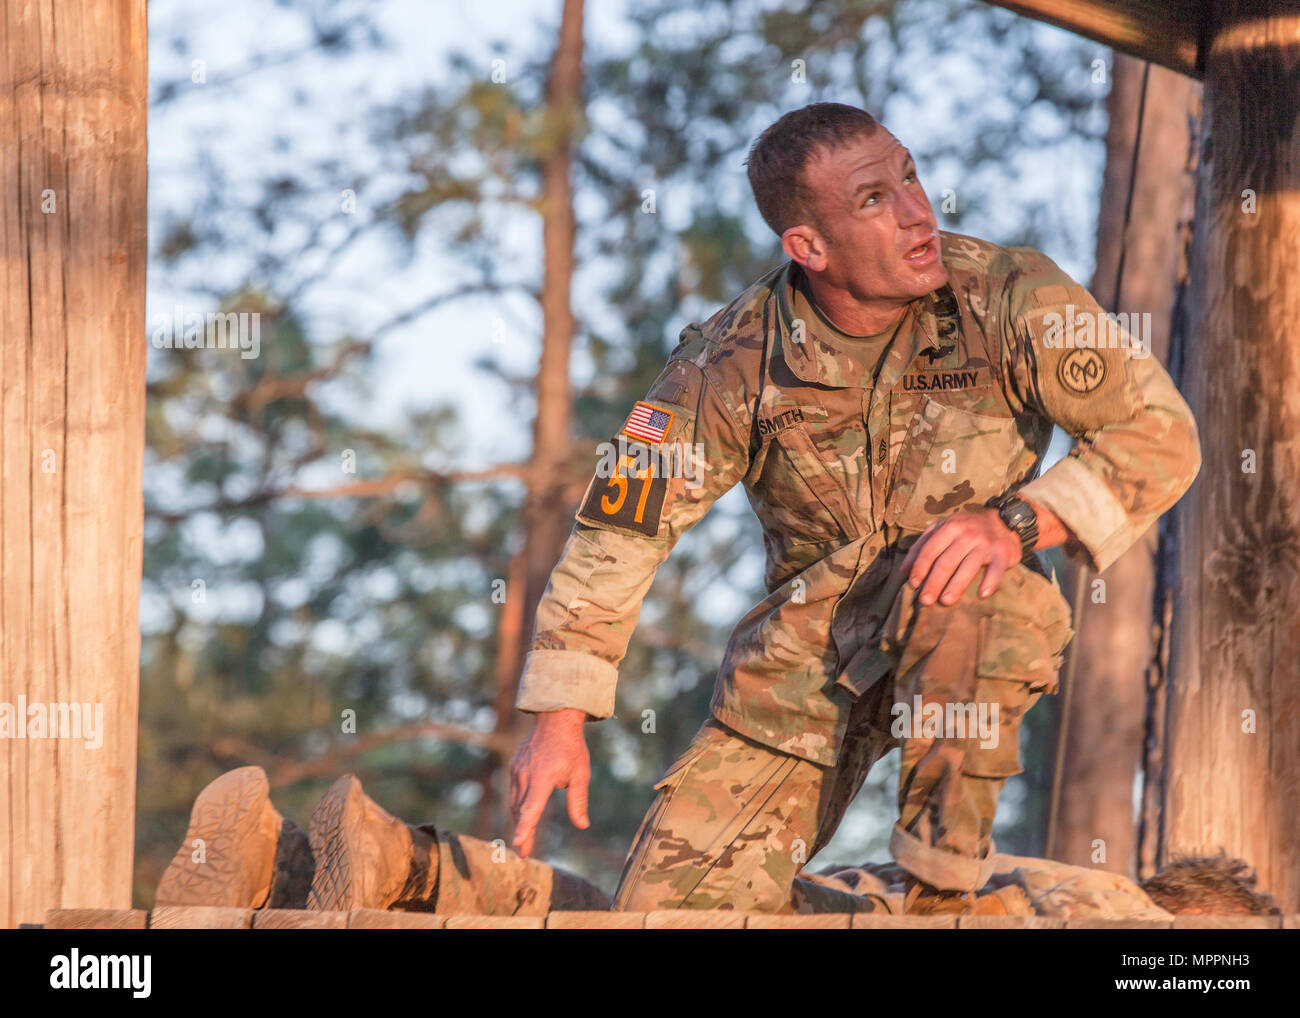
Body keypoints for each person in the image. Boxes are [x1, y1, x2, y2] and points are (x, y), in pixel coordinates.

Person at [504, 101, 1202, 915]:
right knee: (668, 913)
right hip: (807, 666)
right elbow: (620, 531)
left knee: (972, 585)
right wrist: (560, 715)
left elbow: (1160, 433)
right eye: (874, 200)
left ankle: (943, 889)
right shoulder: (726, 363)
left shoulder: (1009, 295)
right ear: (809, 246)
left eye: (910, 176)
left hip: (965, 627)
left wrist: (1015, 526)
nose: (917, 211)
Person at [157, 767, 1281, 920]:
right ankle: (385, 858)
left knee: (603, 916)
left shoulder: (1056, 876)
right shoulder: (1129, 923)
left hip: (817, 893)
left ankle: (330, 853)